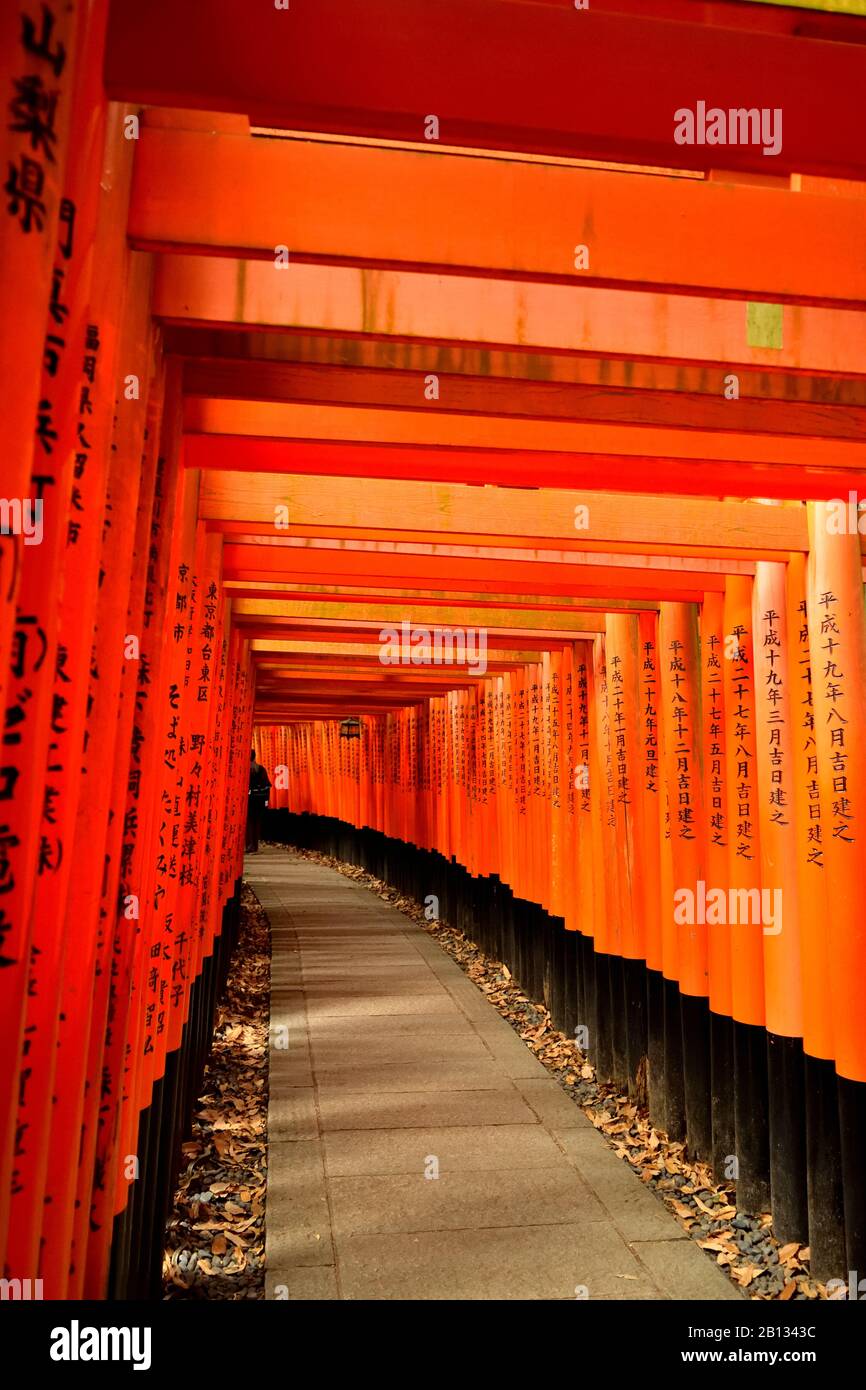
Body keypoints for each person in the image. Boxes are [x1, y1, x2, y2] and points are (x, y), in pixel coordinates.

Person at [246, 747, 271, 853]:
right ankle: (255, 845)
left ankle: (249, 845)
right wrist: (266, 801)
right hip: (260, 800)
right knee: (257, 822)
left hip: (249, 800)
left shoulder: (245, 769)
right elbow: (267, 785)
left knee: (249, 822)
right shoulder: (261, 769)